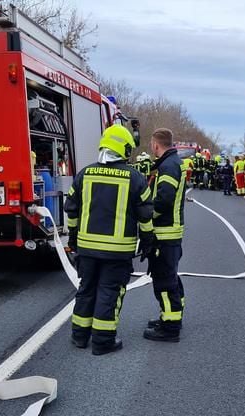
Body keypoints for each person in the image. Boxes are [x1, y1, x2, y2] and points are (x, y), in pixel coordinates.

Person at [65, 125, 156, 356]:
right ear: (124, 149)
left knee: (86, 289)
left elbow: (72, 212)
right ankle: (103, 341)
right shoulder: (135, 178)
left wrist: (73, 241)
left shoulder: (84, 174)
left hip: (86, 249)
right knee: (109, 292)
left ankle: (79, 335)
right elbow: (146, 215)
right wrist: (148, 242)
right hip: (117, 251)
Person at [143, 128, 186, 342]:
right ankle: (171, 318)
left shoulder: (168, 166)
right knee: (171, 277)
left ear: (156, 144)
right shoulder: (172, 163)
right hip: (170, 233)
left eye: (151, 144)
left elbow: (164, 200)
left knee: (164, 281)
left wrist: (147, 217)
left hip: (164, 233)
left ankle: (169, 327)